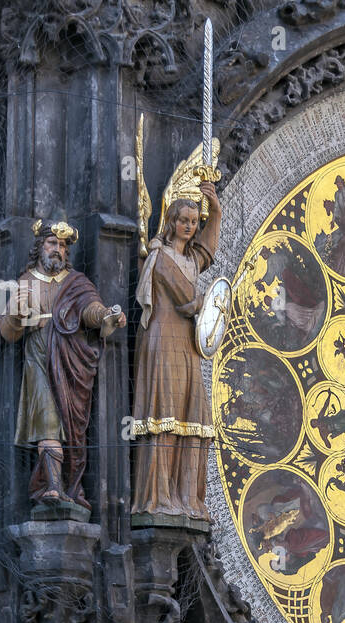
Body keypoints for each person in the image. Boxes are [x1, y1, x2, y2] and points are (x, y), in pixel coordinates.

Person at [0, 218, 124, 510]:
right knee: (48, 422)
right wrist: (16, 315)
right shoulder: (27, 281)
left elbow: (90, 310)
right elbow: (7, 331)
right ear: (40, 247)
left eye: (63, 246)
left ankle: (68, 484)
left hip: (71, 362)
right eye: (52, 243)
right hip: (40, 358)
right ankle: (52, 486)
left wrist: (107, 315)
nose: (57, 250)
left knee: (73, 430)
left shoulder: (76, 282)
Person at [131, 178, 221, 523]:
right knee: (165, 415)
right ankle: (158, 496)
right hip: (164, 341)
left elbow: (207, 249)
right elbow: (186, 300)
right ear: (171, 222)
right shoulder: (161, 257)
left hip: (186, 345)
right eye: (184, 220)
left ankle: (189, 498)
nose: (190, 226)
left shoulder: (190, 258)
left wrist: (216, 211)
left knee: (193, 415)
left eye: (195, 222)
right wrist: (206, 301)